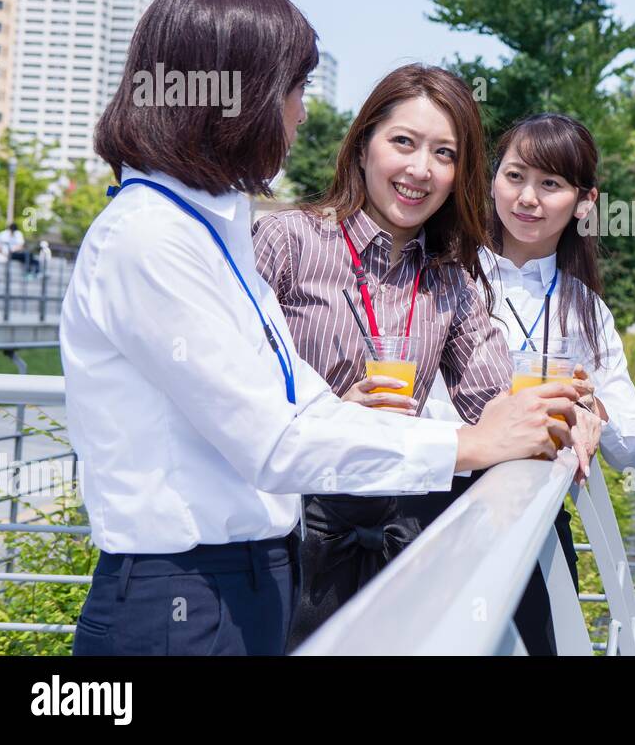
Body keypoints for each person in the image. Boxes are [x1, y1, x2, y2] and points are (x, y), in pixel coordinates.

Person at [60, 0, 579, 656]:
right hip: (187, 593)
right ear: (234, 97)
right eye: (294, 91)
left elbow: (300, 405)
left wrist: (549, 415)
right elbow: (274, 440)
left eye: (445, 153)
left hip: (254, 577)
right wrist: (465, 445)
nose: (300, 114)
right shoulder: (153, 240)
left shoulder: (210, 231)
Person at [251, 63, 601, 650]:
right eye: (403, 143)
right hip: (290, 540)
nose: (420, 169)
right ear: (363, 145)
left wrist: (570, 411)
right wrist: (330, 410)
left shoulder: (452, 279)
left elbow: (495, 400)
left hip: (408, 546)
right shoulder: (287, 241)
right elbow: (238, 393)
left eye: (444, 153)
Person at [426, 112, 635, 652]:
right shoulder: (444, 276)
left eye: (550, 184)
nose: (527, 198)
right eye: (514, 176)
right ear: (493, 179)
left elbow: (634, 449)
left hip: (537, 534)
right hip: (434, 523)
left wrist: (592, 407)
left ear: (584, 202)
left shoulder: (587, 309)